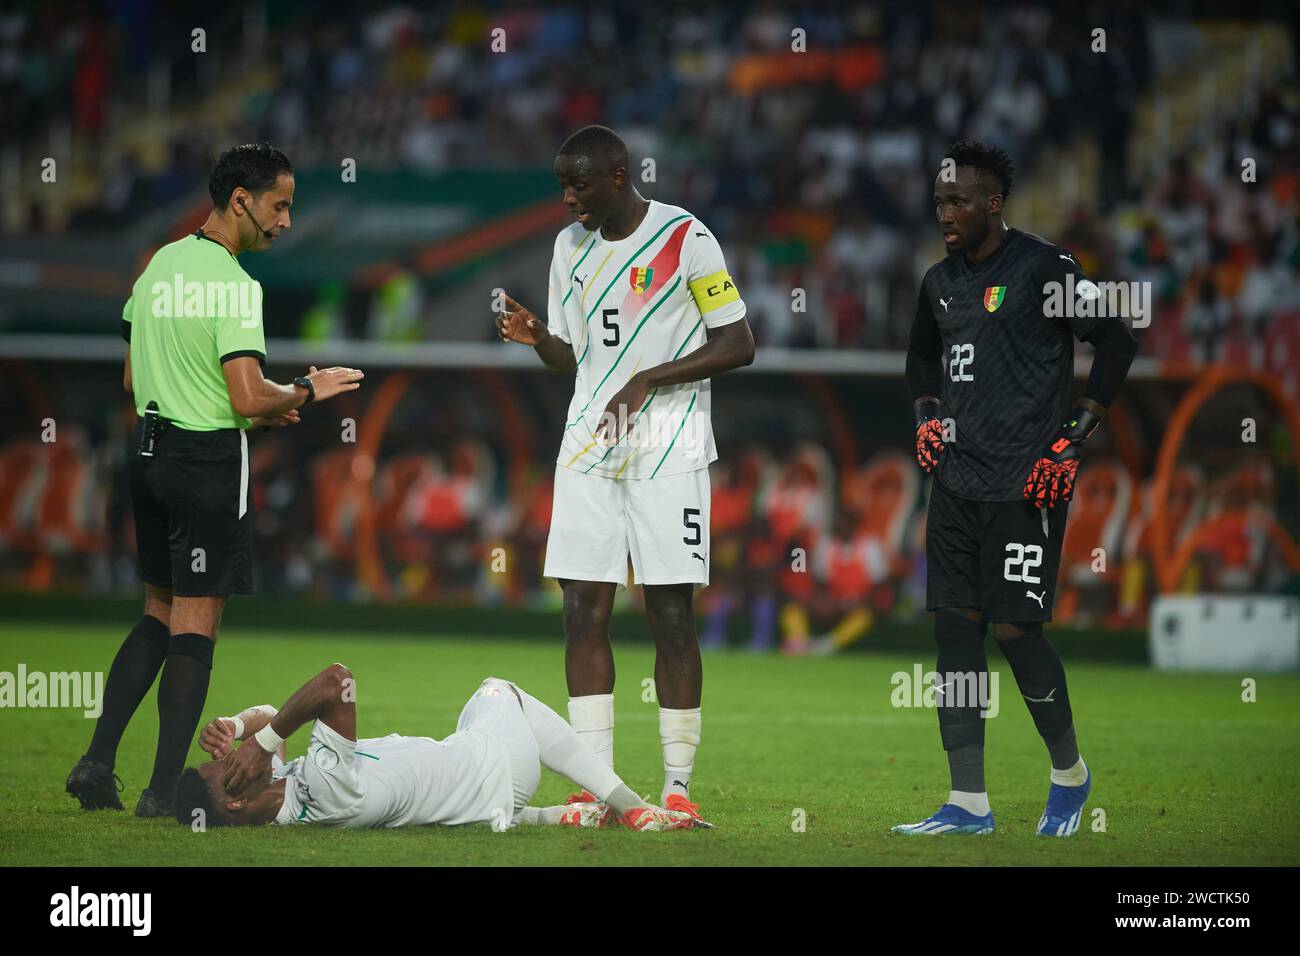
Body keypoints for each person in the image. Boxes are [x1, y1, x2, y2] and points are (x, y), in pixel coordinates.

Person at [65, 143, 365, 817]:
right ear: (241, 201)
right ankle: (160, 792)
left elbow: (132, 379)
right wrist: (304, 391)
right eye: (280, 205)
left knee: (156, 612)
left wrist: (259, 404)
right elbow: (244, 398)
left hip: (144, 455)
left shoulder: (158, 265)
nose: (285, 221)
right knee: (195, 628)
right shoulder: (234, 284)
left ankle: (97, 761)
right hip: (204, 466)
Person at [495, 125, 755, 820]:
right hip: (587, 443)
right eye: (562, 187)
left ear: (618, 177)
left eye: (579, 185)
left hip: (668, 446)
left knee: (671, 613)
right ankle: (597, 784)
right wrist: (538, 339)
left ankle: (675, 787)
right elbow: (572, 354)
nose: (569, 199)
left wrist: (649, 378)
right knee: (582, 611)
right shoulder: (568, 247)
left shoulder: (687, 237)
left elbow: (739, 342)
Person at [896, 141, 1137, 837]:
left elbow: (1117, 340)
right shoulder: (939, 282)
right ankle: (968, 802)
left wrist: (1071, 440)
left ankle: (1069, 775)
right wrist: (926, 413)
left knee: (1015, 631)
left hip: (1025, 481)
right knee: (954, 634)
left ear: (993, 204)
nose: (945, 213)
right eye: (940, 201)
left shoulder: (1044, 267)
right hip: (956, 483)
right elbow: (918, 356)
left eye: (958, 201)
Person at [174, 663, 707, 832]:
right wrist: (263, 741)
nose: (229, 761)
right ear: (237, 801)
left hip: (483, 797)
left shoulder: (289, 793)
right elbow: (337, 683)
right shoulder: (322, 788)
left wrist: (238, 726)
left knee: (471, 726)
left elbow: (271, 719)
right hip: (498, 763)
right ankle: (633, 806)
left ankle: (545, 817)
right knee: (500, 691)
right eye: (223, 771)